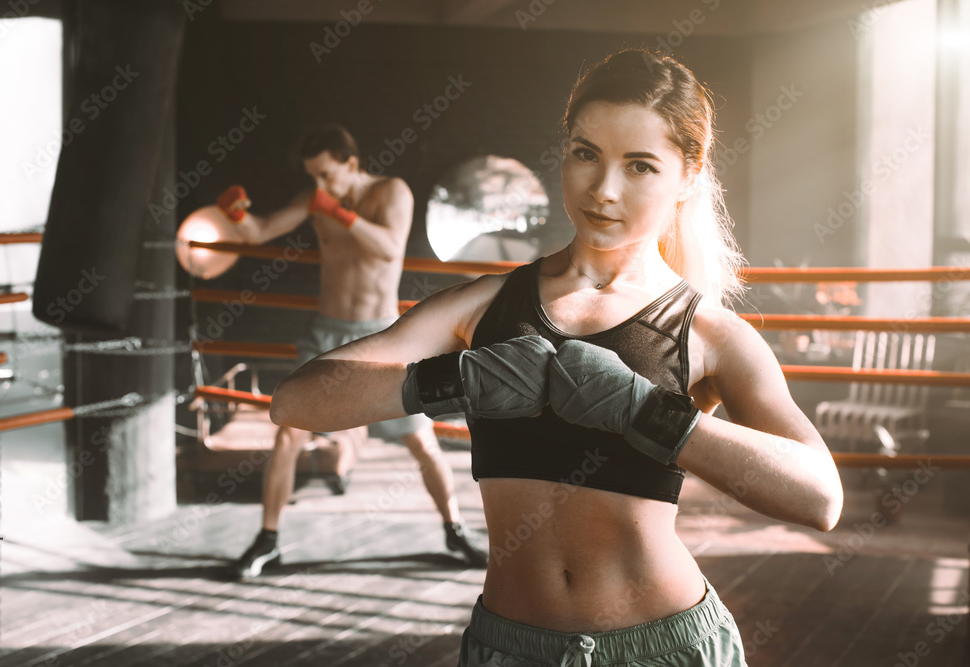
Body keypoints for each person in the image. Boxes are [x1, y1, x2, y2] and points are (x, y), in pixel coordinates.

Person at [269, 51, 844, 666]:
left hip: (664, 646)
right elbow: (297, 401)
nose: (603, 189)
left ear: (689, 177)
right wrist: (451, 381)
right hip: (510, 647)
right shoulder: (485, 305)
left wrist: (646, 411)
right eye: (585, 153)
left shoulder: (706, 332)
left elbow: (819, 497)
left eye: (640, 166)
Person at [221, 124, 488, 579]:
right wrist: (237, 215)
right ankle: (268, 541)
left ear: (351, 162)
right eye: (314, 178)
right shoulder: (316, 199)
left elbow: (388, 250)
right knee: (287, 434)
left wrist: (339, 214)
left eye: (327, 175)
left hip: (384, 337)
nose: (321, 187)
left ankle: (455, 529)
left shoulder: (391, 192)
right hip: (327, 332)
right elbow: (259, 231)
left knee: (421, 442)